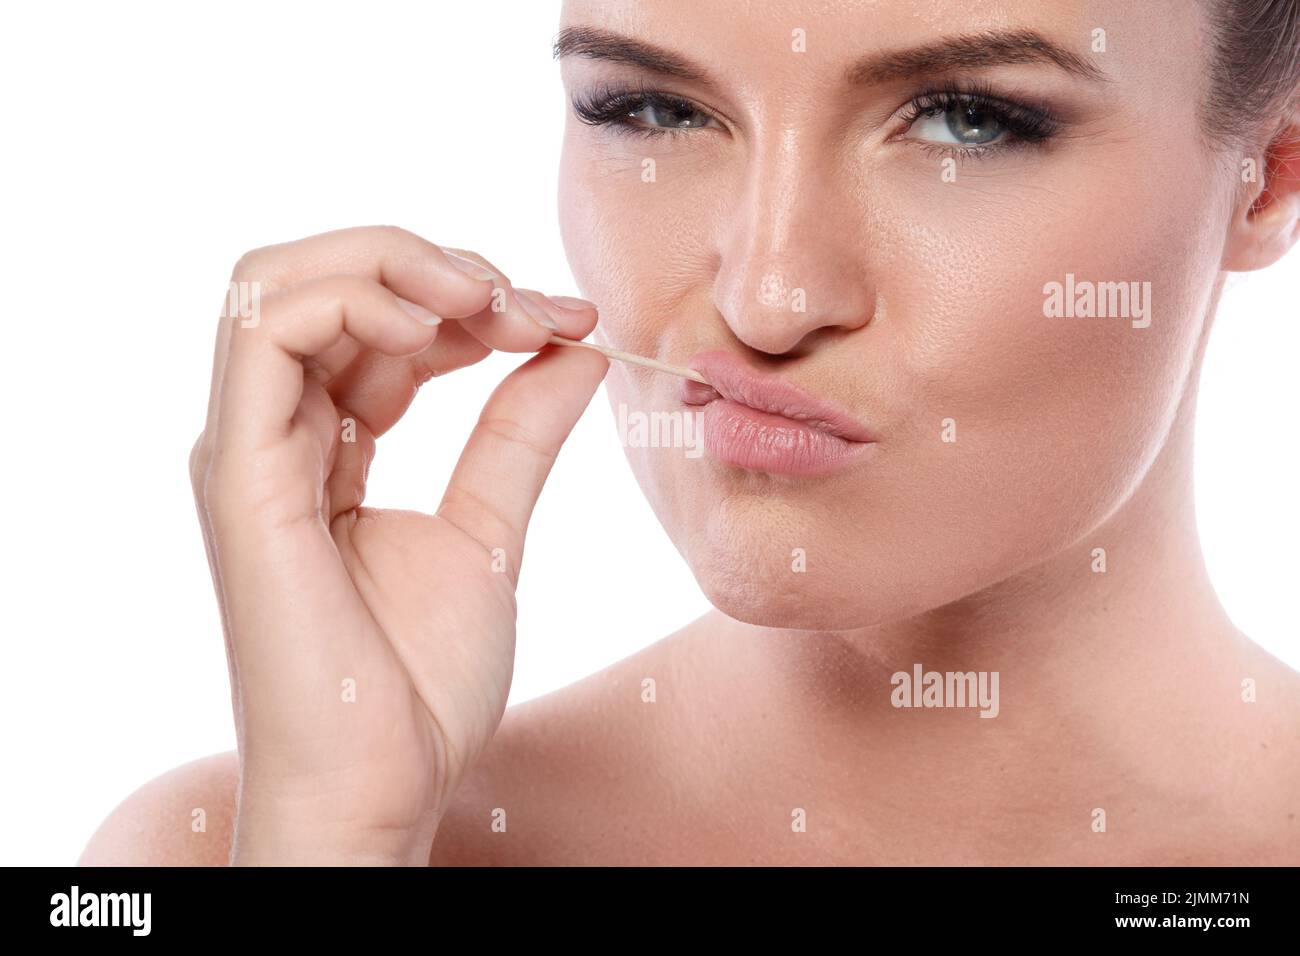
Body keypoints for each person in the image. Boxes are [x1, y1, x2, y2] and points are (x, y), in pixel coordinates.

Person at [83, 0, 1300, 865]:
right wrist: (335, 839)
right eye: (651, 107)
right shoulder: (218, 855)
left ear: (1273, 172)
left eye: (966, 121)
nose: (766, 297)